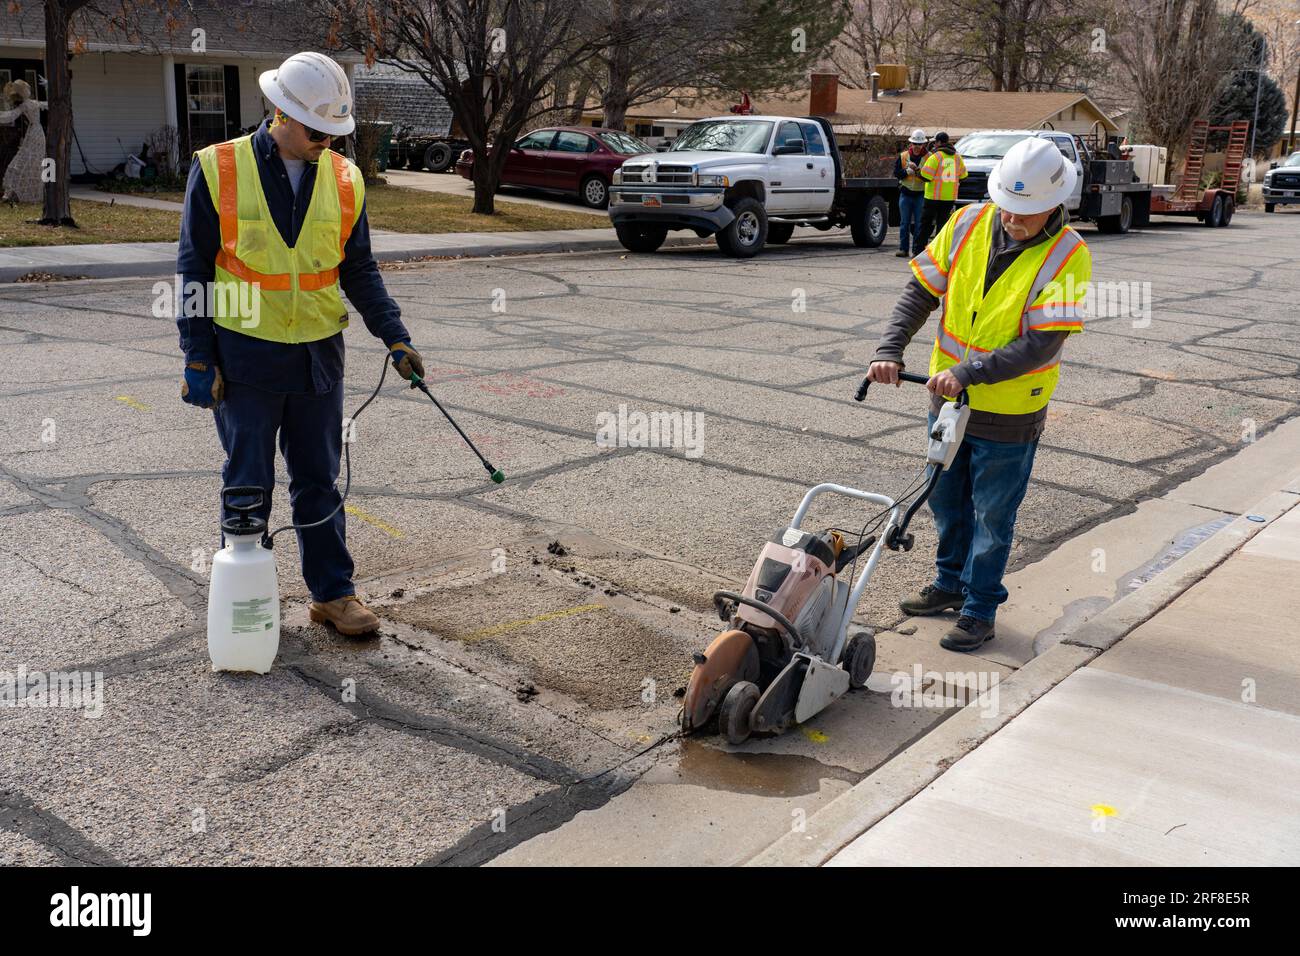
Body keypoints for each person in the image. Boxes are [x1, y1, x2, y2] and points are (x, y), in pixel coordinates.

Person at [176, 51, 425, 637]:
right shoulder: (218, 168)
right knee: (247, 481)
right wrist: (197, 355)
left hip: (318, 357)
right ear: (280, 112)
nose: (327, 140)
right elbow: (195, 272)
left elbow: (359, 269)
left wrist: (394, 335)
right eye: (318, 129)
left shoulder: (343, 178)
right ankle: (247, 603)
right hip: (246, 356)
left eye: (336, 131)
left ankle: (332, 594)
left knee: (319, 477)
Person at [866, 137, 1091, 652]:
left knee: (993, 514)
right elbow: (921, 290)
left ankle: (980, 608)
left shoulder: (1069, 255)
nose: (1012, 220)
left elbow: (1040, 343)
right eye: (1007, 208)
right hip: (947, 402)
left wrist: (969, 372)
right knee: (945, 500)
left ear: (1055, 205)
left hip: (1009, 410)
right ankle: (949, 585)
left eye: (1026, 213)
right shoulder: (966, 223)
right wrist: (889, 349)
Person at [917, 130, 966, 245]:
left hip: (932, 197)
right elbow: (964, 176)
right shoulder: (957, 158)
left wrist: (916, 171)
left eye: (935, 143)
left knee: (925, 225)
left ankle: (918, 250)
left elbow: (926, 176)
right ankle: (939, 252)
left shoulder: (935, 157)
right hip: (949, 198)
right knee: (942, 226)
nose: (934, 145)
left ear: (938, 142)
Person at [0, 79, 45, 203]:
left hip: (35, 133)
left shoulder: (29, 104)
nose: (29, 90)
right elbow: (10, 116)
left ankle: (31, 192)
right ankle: (22, 192)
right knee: (30, 159)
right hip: (35, 132)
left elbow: (11, 116)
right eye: (27, 89)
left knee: (32, 159)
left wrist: (49, 87)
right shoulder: (28, 104)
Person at [893, 128, 929, 258]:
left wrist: (918, 172)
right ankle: (903, 249)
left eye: (919, 144)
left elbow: (930, 177)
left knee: (919, 224)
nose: (917, 147)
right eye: (915, 144)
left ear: (923, 144)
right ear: (911, 143)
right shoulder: (903, 156)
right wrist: (906, 172)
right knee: (904, 223)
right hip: (906, 193)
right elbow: (896, 173)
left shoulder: (929, 157)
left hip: (921, 194)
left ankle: (916, 251)